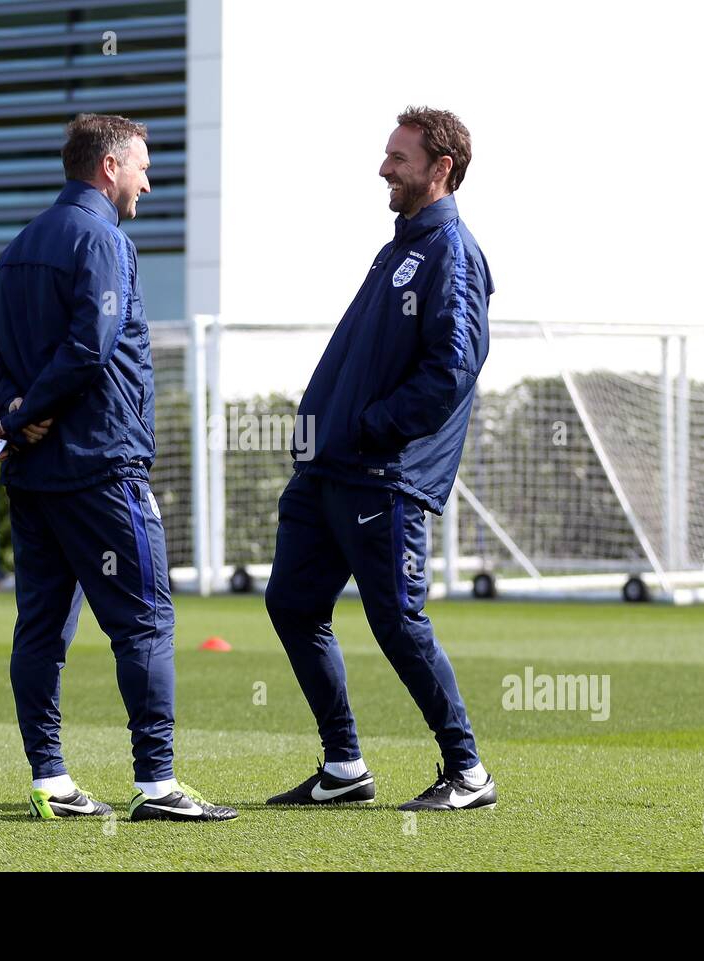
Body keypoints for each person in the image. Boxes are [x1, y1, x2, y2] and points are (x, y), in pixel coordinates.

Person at [0, 113, 237, 822]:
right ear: (110, 166)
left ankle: (50, 779)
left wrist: (13, 410)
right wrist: (27, 410)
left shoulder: (20, 246)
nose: (148, 181)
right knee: (145, 620)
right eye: (142, 166)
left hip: (33, 478)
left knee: (40, 628)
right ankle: (157, 784)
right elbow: (92, 346)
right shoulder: (104, 239)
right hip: (101, 470)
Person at [264, 106, 496, 812]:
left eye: (398, 157)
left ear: (440, 169)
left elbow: (452, 369)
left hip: (381, 475)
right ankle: (344, 765)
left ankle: (468, 771)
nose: (384, 168)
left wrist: (371, 428)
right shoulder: (400, 246)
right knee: (292, 604)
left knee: (397, 621)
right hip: (329, 470)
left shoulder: (452, 251)